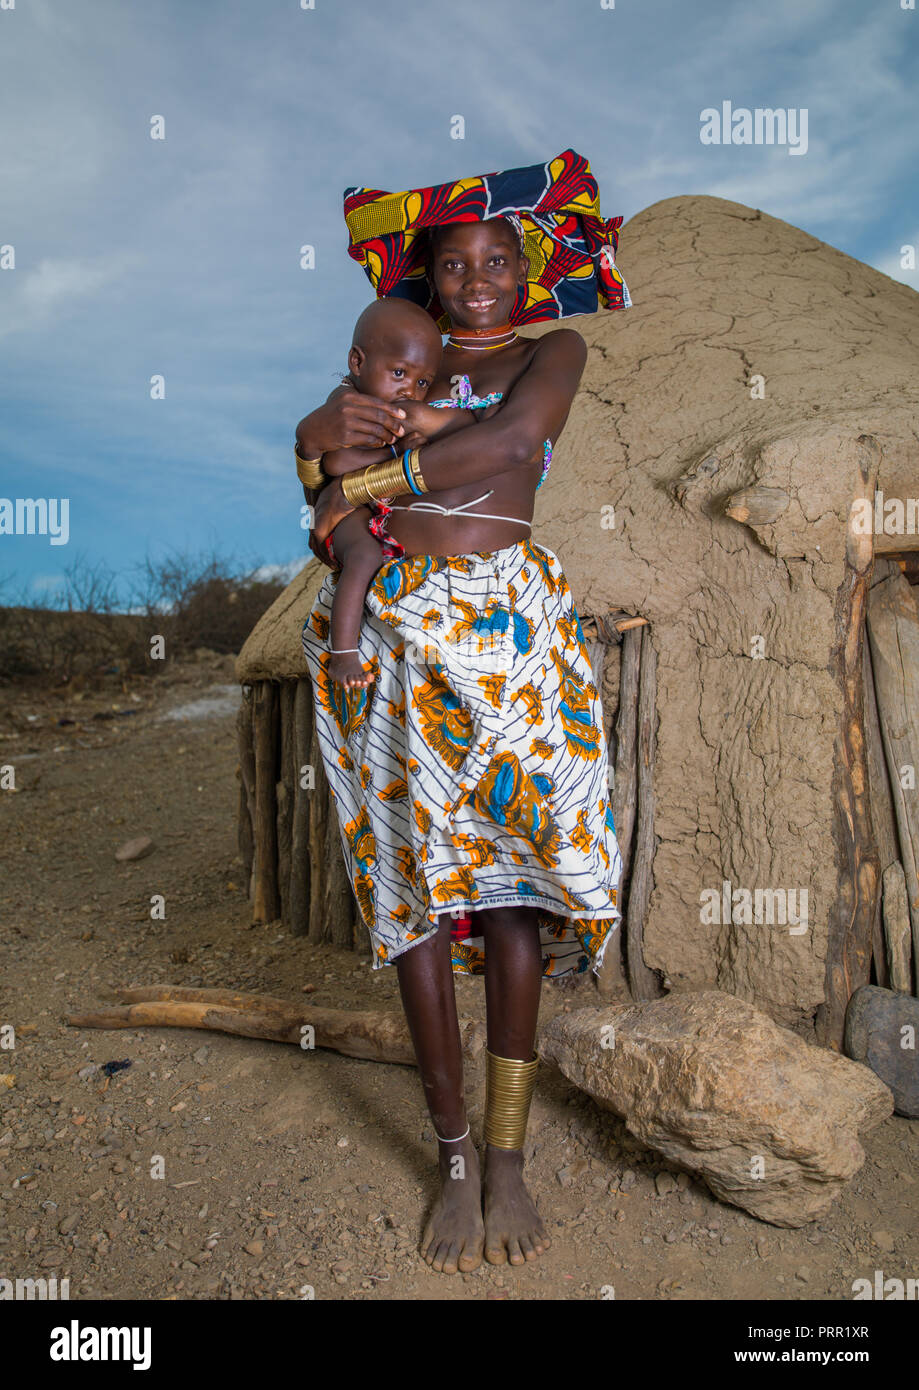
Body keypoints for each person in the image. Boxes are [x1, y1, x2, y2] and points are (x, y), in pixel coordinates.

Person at [296, 149, 630, 1276]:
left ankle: (506, 1154)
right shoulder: (400, 361)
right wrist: (328, 475)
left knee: (516, 893)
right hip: (391, 636)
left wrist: (370, 476)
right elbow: (309, 463)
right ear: (429, 279)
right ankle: (447, 1155)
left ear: (526, 267)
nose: (479, 279)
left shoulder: (552, 350)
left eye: (497, 260)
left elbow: (511, 446)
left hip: (511, 636)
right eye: (457, 264)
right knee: (418, 896)